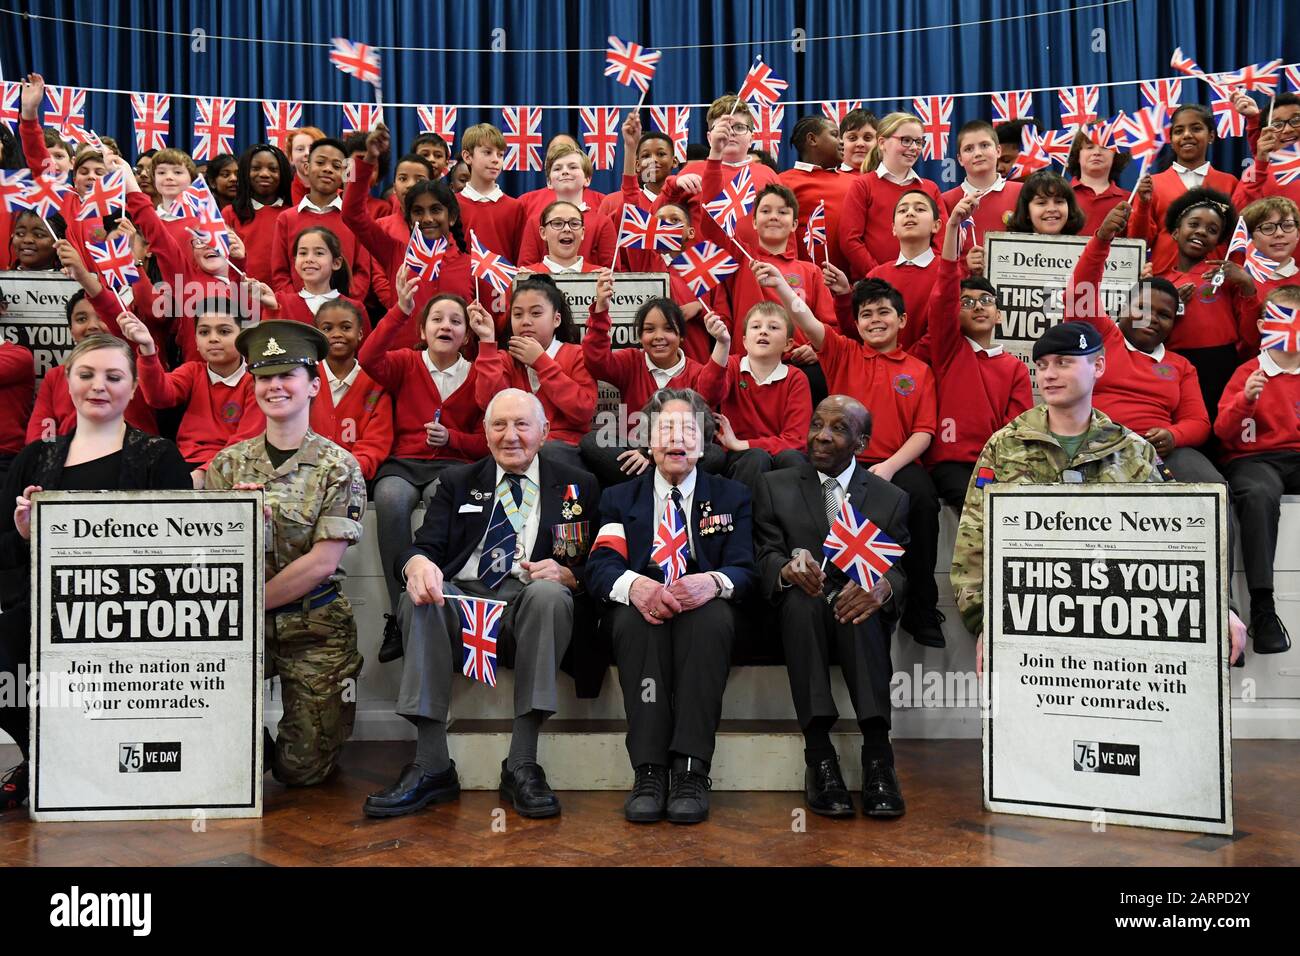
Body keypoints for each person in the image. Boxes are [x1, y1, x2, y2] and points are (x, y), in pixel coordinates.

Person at [951, 320, 1248, 668]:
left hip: (1119, 631)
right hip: (1029, 627)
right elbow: (974, 543)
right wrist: (986, 623)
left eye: (1064, 362)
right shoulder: (1005, 446)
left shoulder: (1133, 452)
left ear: (1099, 366)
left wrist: (1218, 606)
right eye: (1043, 364)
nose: (1048, 374)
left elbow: (1180, 545)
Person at [363, 388, 599, 819]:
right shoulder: (457, 482)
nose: (511, 436)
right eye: (499, 425)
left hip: (528, 609)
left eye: (522, 424)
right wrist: (416, 564)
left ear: (544, 432)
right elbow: (422, 547)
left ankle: (523, 763)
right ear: (485, 433)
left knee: (549, 594)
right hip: (464, 607)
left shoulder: (577, 486)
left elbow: (596, 565)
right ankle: (432, 765)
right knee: (423, 595)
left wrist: (571, 575)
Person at [0, 334, 192, 812]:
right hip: (45, 613)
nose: (98, 386)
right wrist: (26, 538)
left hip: (135, 615)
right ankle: (41, 758)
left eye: (113, 377)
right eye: (86, 375)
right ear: (67, 382)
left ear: (132, 389)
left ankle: (113, 762)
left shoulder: (159, 456)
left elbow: (184, 549)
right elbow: (0, 550)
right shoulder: (33, 459)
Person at [205, 320, 367, 787]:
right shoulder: (228, 464)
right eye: (263, 377)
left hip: (312, 627)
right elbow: (209, 555)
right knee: (231, 759)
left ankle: (293, 741)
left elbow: (323, 562)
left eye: (287, 376)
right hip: (237, 632)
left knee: (303, 772)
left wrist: (251, 603)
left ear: (314, 384)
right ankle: (252, 744)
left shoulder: (340, 467)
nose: (275, 387)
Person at [586, 388, 756, 824]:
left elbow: (745, 569)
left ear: (703, 442)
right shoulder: (618, 499)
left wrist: (712, 582)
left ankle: (691, 770)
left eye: (687, 430)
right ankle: (649, 770)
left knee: (712, 619)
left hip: (703, 604)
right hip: (644, 602)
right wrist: (637, 586)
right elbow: (602, 567)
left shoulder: (732, 495)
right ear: (647, 440)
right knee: (633, 620)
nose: (676, 439)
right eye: (666, 429)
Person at [752, 395, 909, 817]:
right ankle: (819, 757)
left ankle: (879, 759)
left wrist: (882, 589)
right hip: (798, 608)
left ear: (862, 442)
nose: (821, 435)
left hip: (855, 612)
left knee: (857, 607)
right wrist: (785, 569)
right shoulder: (775, 486)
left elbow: (901, 568)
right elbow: (764, 554)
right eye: (817, 424)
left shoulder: (888, 498)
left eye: (838, 428)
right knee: (804, 606)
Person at [772, 263, 944, 648]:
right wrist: (781, 285)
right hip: (842, 465)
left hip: (893, 465)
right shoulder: (842, 352)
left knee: (921, 495)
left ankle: (921, 609)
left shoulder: (919, 370)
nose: (874, 320)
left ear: (902, 320)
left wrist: (888, 466)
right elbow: (804, 315)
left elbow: (924, 432)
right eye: (865, 314)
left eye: (884, 312)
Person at [916, 192, 1033, 504]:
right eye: (966, 302)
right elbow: (942, 295)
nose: (977, 307)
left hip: (998, 463)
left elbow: (1017, 425)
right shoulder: (948, 350)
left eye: (986, 301)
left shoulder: (1015, 367)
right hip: (950, 464)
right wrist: (953, 227)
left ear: (999, 315)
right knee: (978, 504)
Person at [578, 270, 728, 486]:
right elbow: (596, 361)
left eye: (668, 329)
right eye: (649, 330)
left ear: (681, 336)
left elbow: (711, 393)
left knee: (713, 453)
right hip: (634, 448)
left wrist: (723, 343)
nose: (658, 337)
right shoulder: (631, 361)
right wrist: (601, 309)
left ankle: (648, 484)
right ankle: (654, 483)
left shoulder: (695, 371)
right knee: (592, 442)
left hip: (679, 451)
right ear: (640, 336)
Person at [1213, 285, 1300, 654]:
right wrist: (1246, 399)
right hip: (1254, 459)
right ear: (1266, 325)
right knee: (1259, 493)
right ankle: (1264, 608)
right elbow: (1223, 433)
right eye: (1283, 319)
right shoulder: (1249, 371)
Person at [472, 275, 597, 473]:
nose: (526, 322)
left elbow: (583, 411)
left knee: (545, 454)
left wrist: (541, 362)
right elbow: (488, 402)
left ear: (556, 319)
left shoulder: (576, 354)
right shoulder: (505, 358)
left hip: (563, 451)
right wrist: (487, 340)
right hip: (513, 447)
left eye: (536, 314)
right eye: (518, 314)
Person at [1129, 103, 1237, 275]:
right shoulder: (1152, 184)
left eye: (1196, 128)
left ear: (1211, 135)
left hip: (1212, 283)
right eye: (1179, 131)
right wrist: (1143, 204)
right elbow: (1139, 242)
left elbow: (1236, 239)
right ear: (1170, 140)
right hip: (1165, 281)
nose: (1187, 135)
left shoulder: (1229, 183)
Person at [840, 111, 946, 280]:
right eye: (906, 140)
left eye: (919, 142)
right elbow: (850, 240)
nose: (914, 147)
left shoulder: (930, 188)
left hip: (923, 282)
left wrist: (923, 273)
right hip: (875, 287)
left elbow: (941, 239)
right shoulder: (863, 185)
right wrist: (879, 276)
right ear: (882, 142)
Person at [940, 120, 1022, 251]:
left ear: (998, 150)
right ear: (960, 159)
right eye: (968, 149)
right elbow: (942, 255)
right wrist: (964, 263)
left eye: (984, 145)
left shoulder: (1021, 192)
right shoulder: (946, 201)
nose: (977, 153)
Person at [222, 143, 293, 285]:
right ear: (245, 173)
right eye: (255, 168)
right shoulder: (230, 213)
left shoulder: (292, 213)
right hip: (242, 296)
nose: (264, 174)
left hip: (282, 297)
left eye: (273, 169)